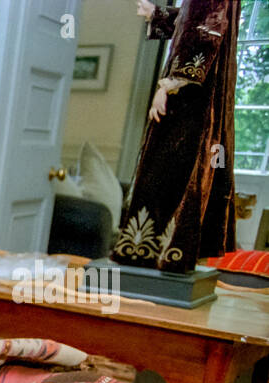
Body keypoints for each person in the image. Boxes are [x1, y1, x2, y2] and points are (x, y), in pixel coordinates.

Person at [110, 0, 238, 273]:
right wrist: (157, 14)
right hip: (200, 104)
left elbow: (208, 31)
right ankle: (163, 252)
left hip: (190, 104)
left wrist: (169, 85)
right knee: (178, 171)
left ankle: (152, 252)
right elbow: (194, 21)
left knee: (166, 170)